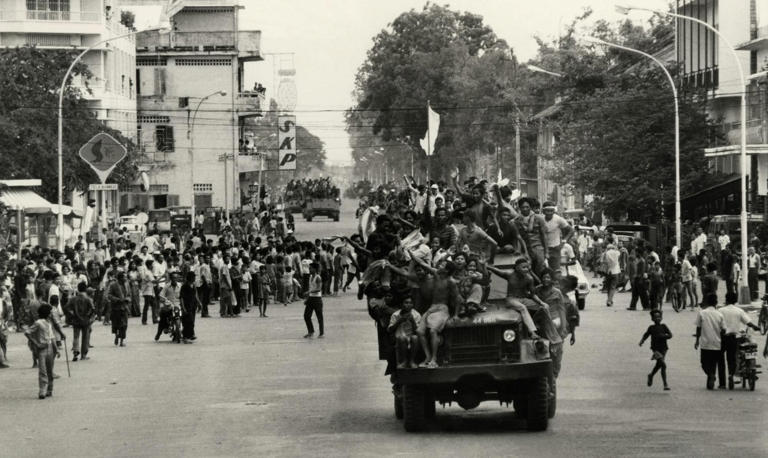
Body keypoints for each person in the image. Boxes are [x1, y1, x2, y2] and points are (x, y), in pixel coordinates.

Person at [720, 291, 760, 389]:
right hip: (733, 338)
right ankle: (730, 375)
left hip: (722, 337)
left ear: (726, 299)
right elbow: (748, 322)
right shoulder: (739, 311)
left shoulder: (720, 310)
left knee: (720, 360)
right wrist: (756, 327)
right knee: (732, 359)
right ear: (735, 300)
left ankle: (722, 383)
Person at [24, 303, 64, 399]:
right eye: (50, 312)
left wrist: (56, 349)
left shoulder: (49, 324)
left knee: (49, 370)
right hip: (42, 349)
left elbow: (52, 337)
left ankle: (49, 389)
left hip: (50, 348)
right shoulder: (38, 323)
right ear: (46, 313)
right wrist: (36, 343)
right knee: (43, 370)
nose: (51, 314)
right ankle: (42, 390)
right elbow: (27, 332)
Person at [694, 293, 726, 390]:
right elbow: (723, 329)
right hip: (717, 342)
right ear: (716, 303)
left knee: (704, 363)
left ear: (707, 302)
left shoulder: (702, 313)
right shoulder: (720, 314)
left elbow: (698, 328)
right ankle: (711, 375)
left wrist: (697, 341)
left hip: (705, 342)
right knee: (714, 362)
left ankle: (710, 374)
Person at [639, 309, 672, 391]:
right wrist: (642, 340)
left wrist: (663, 336)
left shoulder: (664, 326)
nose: (658, 319)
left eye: (659, 317)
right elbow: (646, 334)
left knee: (659, 364)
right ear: (652, 319)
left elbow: (670, 335)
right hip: (655, 349)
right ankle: (665, 384)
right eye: (655, 317)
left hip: (664, 348)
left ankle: (651, 375)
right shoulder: (651, 328)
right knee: (663, 365)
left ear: (662, 318)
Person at [387, 296, 421, 368]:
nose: (408, 305)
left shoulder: (416, 315)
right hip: (399, 338)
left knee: (415, 338)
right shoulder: (395, 315)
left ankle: (412, 361)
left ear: (413, 305)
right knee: (402, 338)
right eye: (406, 303)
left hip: (411, 338)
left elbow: (418, 332)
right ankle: (404, 361)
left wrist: (412, 321)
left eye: (410, 303)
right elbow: (390, 330)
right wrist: (399, 321)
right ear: (402, 304)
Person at [66, 282, 94, 361]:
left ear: (78, 289)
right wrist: (88, 316)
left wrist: (72, 314)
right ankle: (83, 355)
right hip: (85, 320)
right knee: (85, 337)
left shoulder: (73, 298)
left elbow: (67, 307)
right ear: (85, 289)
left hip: (76, 320)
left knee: (76, 336)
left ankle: (75, 351)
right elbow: (92, 309)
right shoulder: (88, 299)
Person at [541, 202, 573, 272]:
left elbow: (571, 230)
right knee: (543, 270)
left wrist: (563, 242)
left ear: (554, 211)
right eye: (547, 211)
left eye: (551, 211)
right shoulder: (540, 219)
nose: (549, 213)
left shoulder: (558, 219)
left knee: (555, 270)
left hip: (555, 248)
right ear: (543, 211)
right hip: (542, 249)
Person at [156, 272, 182, 342]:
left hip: (179, 305)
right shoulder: (166, 286)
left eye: (176, 278)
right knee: (163, 317)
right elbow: (161, 295)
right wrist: (164, 300)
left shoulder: (180, 286)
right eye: (173, 278)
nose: (175, 279)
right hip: (169, 306)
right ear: (171, 279)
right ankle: (159, 333)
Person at [108, 271, 130, 347]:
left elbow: (129, 295)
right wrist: (117, 299)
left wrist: (127, 299)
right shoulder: (113, 285)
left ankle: (121, 340)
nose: (126, 278)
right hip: (116, 308)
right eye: (124, 277)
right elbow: (109, 295)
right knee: (116, 324)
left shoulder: (127, 285)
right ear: (120, 278)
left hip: (124, 307)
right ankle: (116, 335)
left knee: (124, 325)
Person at [303, 263, 324, 338]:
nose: (309, 269)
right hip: (311, 299)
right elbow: (311, 288)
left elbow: (319, 289)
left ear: (315, 269)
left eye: (311, 268)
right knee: (306, 316)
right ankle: (311, 331)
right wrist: (307, 298)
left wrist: (309, 292)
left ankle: (321, 333)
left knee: (319, 317)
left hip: (317, 299)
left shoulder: (318, 277)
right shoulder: (310, 277)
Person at [180, 271, 200, 342]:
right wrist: (183, 308)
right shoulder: (184, 286)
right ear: (190, 277)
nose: (194, 278)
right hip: (187, 305)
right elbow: (181, 297)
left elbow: (195, 294)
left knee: (192, 321)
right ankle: (186, 336)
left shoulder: (193, 285)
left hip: (193, 305)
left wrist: (199, 303)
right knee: (188, 321)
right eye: (193, 277)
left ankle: (190, 335)